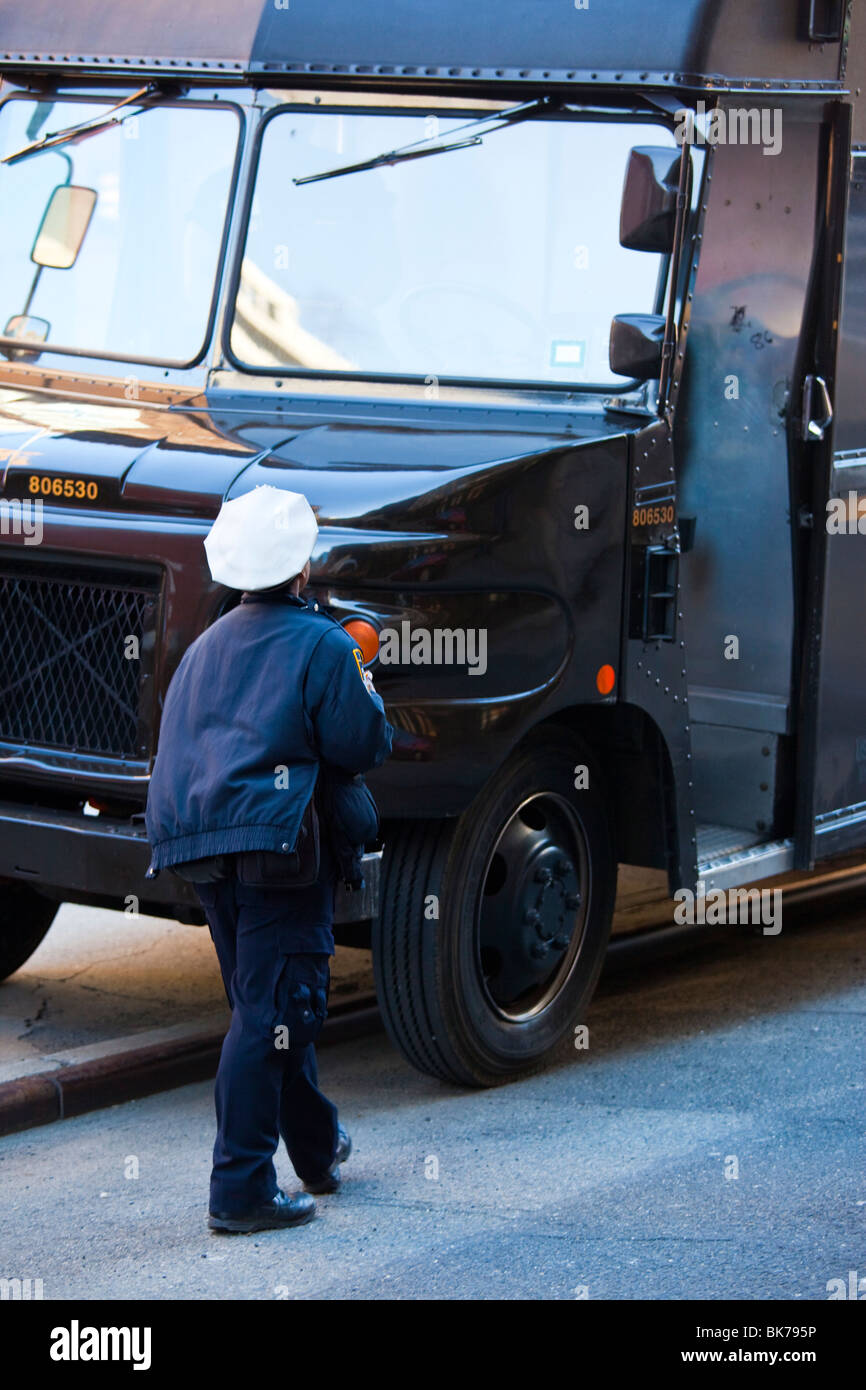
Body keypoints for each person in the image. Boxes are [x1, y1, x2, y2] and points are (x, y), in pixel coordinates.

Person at [145, 485, 393, 1233]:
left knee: (271, 1008)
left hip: (202, 850)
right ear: (303, 569)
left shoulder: (205, 646)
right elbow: (365, 744)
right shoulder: (322, 644)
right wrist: (365, 683)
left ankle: (317, 1152)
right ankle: (240, 1190)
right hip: (279, 849)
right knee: (272, 1013)